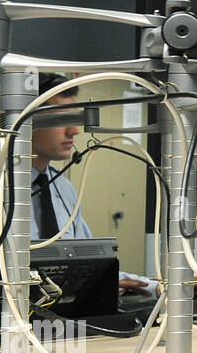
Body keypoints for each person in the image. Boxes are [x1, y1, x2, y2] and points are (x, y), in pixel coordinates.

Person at [29, 74, 160, 296]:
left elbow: (91, 263)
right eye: (62, 120)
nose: (74, 131)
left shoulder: (63, 189)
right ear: (29, 121)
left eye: (75, 119)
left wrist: (154, 286)